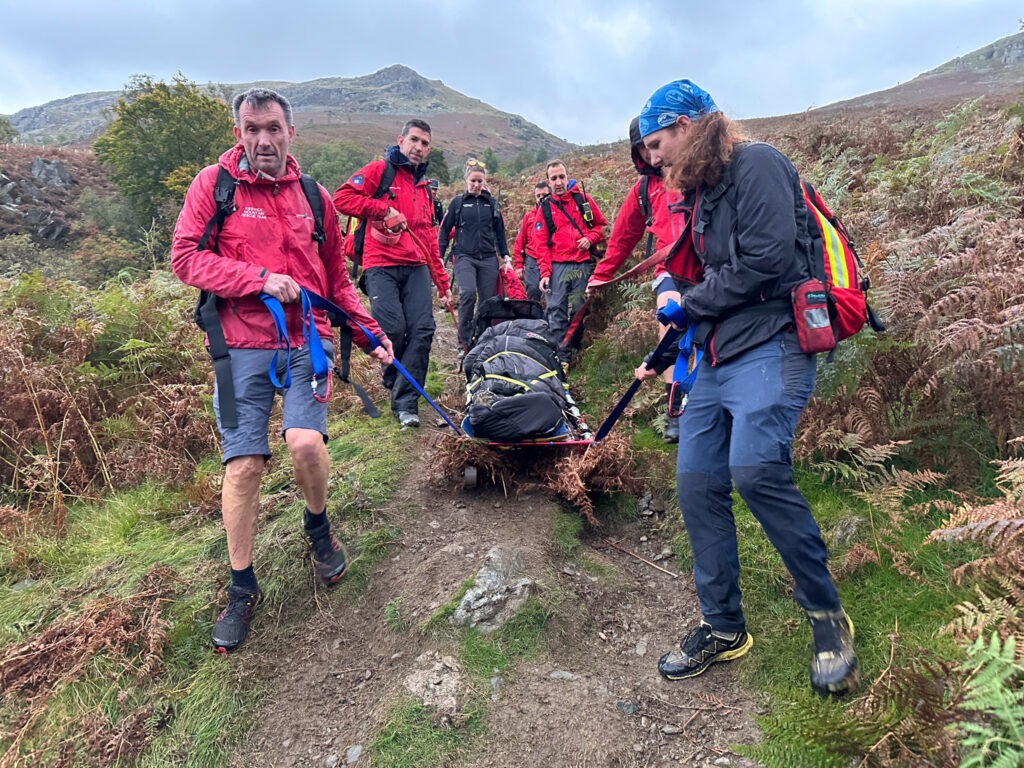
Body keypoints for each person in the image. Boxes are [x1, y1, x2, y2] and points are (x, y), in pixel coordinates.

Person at [633, 79, 858, 696]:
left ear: (684, 124)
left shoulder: (757, 164)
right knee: (697, 479)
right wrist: (673, 310)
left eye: (657, 144)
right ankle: (724, 626)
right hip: (717, 355)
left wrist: (690, 303)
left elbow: (765, 261)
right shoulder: (701, 191)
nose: (654, 159)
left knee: (756, 469)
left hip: (776, 342)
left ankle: (826, 619)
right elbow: (691, 269)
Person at [170, 87, 394, 653]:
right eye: (251, 129)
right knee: (243, 465)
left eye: (272, 128)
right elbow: (185, 258)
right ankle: (241, 585)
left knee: (306, 445)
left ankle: (317, 525)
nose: (262, 140)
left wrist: (369, 335)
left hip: (306, 340)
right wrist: (257, 279)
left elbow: (336, 282)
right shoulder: (213, 186)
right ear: (239, 132)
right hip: (241, 344)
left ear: (291, 132)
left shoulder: (315, 197)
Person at [586, 117, 702, 443]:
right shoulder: (643, 191)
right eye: (643, 149)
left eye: (654, 146)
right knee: (670, 320)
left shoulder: (698, 175)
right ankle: (675, 406)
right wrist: (599, 278)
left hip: (708, 270)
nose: (652, 157)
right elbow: (621, 240)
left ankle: (705, 404)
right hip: (668, 271)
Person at [334, 119, 453, 428]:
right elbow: (341, 199)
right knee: (394, 330)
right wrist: (382, 210)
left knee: (423, 330)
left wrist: (442, 283)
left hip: (417, 267)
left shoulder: (425, 187)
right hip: (380, 265)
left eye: (425, 143)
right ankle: (397, 379)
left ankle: (406, 403)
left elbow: (428, 238)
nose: (419, 147)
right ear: (401, 140)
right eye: (414, 140)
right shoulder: (379, 170)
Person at [536, 161, 607, 365]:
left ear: (567, 177)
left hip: (582, 264)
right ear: (548, 182)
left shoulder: (583, 201)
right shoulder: (546, 208)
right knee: (555, 309)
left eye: (561, 177)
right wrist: (545, 273)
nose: (558, 182)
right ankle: (562, 357)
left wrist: (590, 238)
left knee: (580, 308)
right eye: (554, 178)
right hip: (557, 266)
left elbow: (600, 226)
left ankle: (572, 346)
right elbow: (540, 243)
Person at [438, 159, 510, 352]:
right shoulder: (457, 203)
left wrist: (506, 256)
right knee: (468, 294)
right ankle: (464, 342)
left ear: (484, 181)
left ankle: (484, 340)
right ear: (466, 180)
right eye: (473, 181)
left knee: (488, 302)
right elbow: (444, 231)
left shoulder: (491, 204)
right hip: (464, 257)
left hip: (488, 258)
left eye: (480, 181)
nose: (476, 185)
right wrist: (439, 255)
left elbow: (500, 232)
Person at [512, 181, 550, 304]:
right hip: (532, 258)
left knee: (552, 292)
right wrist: (518, 265)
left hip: (552, 258)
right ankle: (533, 319)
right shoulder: (529, 217)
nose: (541, 198)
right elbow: (519, 242)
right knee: (533, 290)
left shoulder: (556, 213)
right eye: (538, 196)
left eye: (544, 195)